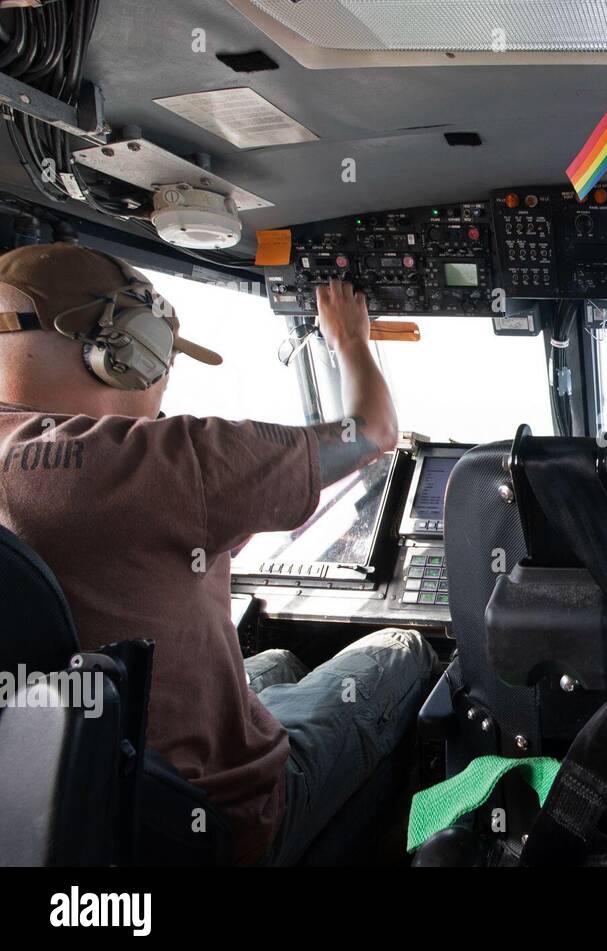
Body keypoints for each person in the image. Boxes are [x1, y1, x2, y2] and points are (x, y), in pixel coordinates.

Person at [0, 243, 435, 865]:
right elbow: (370, 432)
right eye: (163, 360)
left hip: (75, 816)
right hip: (222, 820)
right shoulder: (147, 460)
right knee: (402, 647)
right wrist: (347, 338)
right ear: (127, 349)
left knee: (280, 658)